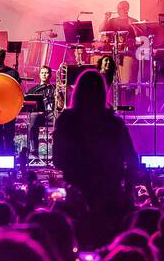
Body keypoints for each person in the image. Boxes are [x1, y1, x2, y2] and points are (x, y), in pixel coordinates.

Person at [52, 67, 139, 241]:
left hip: (77, 194)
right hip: (110, 195)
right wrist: (127, 193)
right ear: (102, 93)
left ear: (77, 91)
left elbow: (58, 159)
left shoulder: (67, 121)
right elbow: (132, 160)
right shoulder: (114, 123)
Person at [25, 65, 58, 159]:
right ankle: (34, 152)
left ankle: (56, 151)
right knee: (33, 118)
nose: (44, 75)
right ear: (39, 75)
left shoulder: (55, 88)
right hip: (38, 115)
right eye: (42, 73)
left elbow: (61, 105)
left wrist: (58, 97)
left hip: (51, 113)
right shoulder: (34, 90)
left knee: (59, 118)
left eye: (46, 73)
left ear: (50, 75)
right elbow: (27, 104)